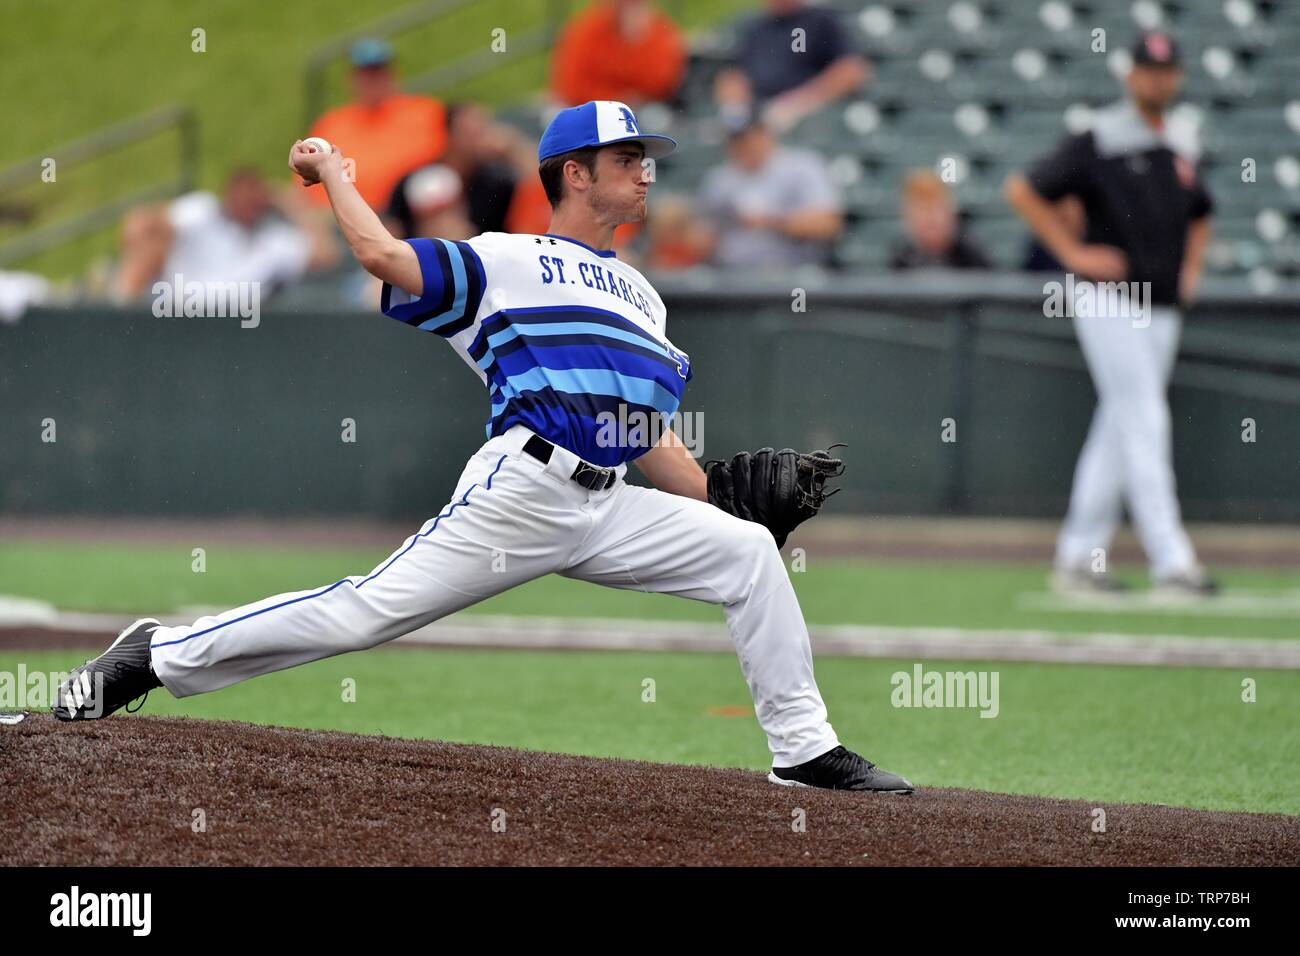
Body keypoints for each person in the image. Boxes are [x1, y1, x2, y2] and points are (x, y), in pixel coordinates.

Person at [53, 99, 914, 796]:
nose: (645, 172)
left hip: (608, 502)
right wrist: (334, 178)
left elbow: (644, 435)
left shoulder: (647, 299)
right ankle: (158, 652)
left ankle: (803, 750)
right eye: (626, 159)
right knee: (364, 613)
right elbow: (381, 254)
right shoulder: (504, 260)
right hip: (522, 490)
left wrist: (720, 503)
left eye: (646, 160)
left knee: (749, 557)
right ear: (575, 174)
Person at [1005, 31, 1217, 596]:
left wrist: (1192, 267)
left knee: (1119, 426)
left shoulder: (1182, 140)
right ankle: (1172, 561)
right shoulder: (1097, 137)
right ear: (1131, 75)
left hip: (1163, 305)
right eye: (1149, 69)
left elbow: (1202, 213)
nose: (1158, 79)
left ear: (1178, 76)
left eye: (1167, 69)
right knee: (1143, 417)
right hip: (1110, 299)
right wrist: (1072, 254)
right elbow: (1023, 189)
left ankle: (1078, 557)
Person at [112, 167, 338, 300]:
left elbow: (325, 255)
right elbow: (142, 225)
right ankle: (116, 311)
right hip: (177, 312)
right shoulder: (202, 212)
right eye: (243, 192)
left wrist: (293, 204)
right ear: (229, 193)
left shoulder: (275, 242)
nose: (249, 202)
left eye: (256, 195)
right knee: (150, 243)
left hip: (241, 325)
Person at [304, 39, 447, 211]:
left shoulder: (426, 111)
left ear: (393, 74)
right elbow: (307, 185)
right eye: (365, 73)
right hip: (347, 215)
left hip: (414, 209)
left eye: (378, 72)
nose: (372, 80)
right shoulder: (332, 123)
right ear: (352, 79)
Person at [696, 113, 843, 270]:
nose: (744, 145)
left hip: (791, 273)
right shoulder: (719, 179)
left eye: (749, 137)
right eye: (736, 140)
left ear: (766, 135)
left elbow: (829, 225)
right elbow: (702, 237)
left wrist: (769, 221)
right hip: (729, 275)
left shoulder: (802, 166)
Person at [714, 0, 869, 134]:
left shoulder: (821, 21)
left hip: (812, 120)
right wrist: (736, 111)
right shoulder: (754, 27)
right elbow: (732, 76)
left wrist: (795, 105)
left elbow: (851, 70)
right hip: (760, 121)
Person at [551, 0, 686, 107]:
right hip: (590, 112)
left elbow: (661, 83)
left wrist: (638, 40)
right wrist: (617, 100)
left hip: (641, 112)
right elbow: (571, 88)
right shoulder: (586, 30)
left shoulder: (658, 31)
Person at [888, 170, 991, 270]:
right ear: (908, 216)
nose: (930, 218)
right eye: (922, 210)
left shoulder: (973, 254)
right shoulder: (901, 258)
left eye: (936, 209)